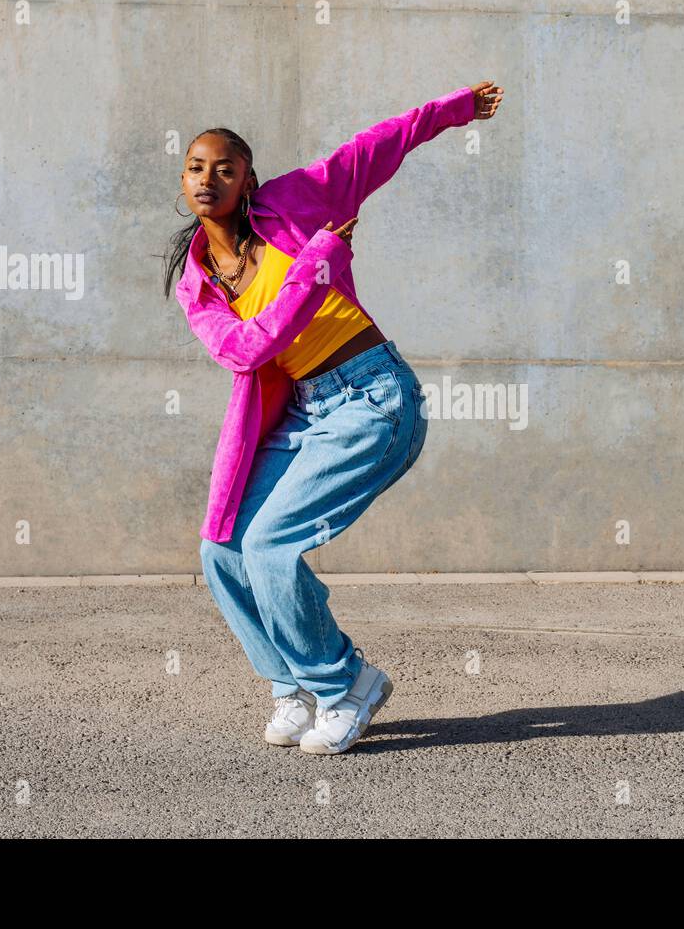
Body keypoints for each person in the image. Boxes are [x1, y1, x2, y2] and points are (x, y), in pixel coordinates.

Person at [163, 82, 504, 754]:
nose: (209, 178)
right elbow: (247, 349)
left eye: (225, 167)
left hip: (375, 398)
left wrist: (456, 109)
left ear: (249, 179)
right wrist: (315, 264)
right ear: (184, 181)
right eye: (196, 167)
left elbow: (378, 145)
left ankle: (348, 681)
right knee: (223, 546)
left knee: (269, 547)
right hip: (307, 409)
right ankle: (290, 683)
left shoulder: (295, 200)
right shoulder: (196, 282)